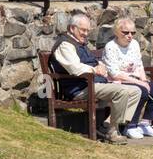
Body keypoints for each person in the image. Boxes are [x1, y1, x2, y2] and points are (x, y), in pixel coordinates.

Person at [49, 10, 141, 144]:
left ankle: (108, 125)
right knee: (121, 92)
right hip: (79, 89)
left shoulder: (80, 43)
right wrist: (95, 69)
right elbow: (75, 68)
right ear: (72, 28)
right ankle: (113, 132)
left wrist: (101, 65)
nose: (86, 34)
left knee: (135, 91)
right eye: (83, 30)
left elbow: (91, 61)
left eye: (87, 31)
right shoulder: (65, 45)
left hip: (92, 84)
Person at [103, 18, 153, 138]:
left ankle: (145, 123)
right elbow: (115, 74)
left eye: (132, 33)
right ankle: (130, 126)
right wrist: (140, 83)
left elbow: (139, 64)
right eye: (125, 32)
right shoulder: (110, 46)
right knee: (140, 91)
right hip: (118, 81)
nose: (130, 36)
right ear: (117, 32)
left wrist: (143, 80)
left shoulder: (134, 44)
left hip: (135, 79)